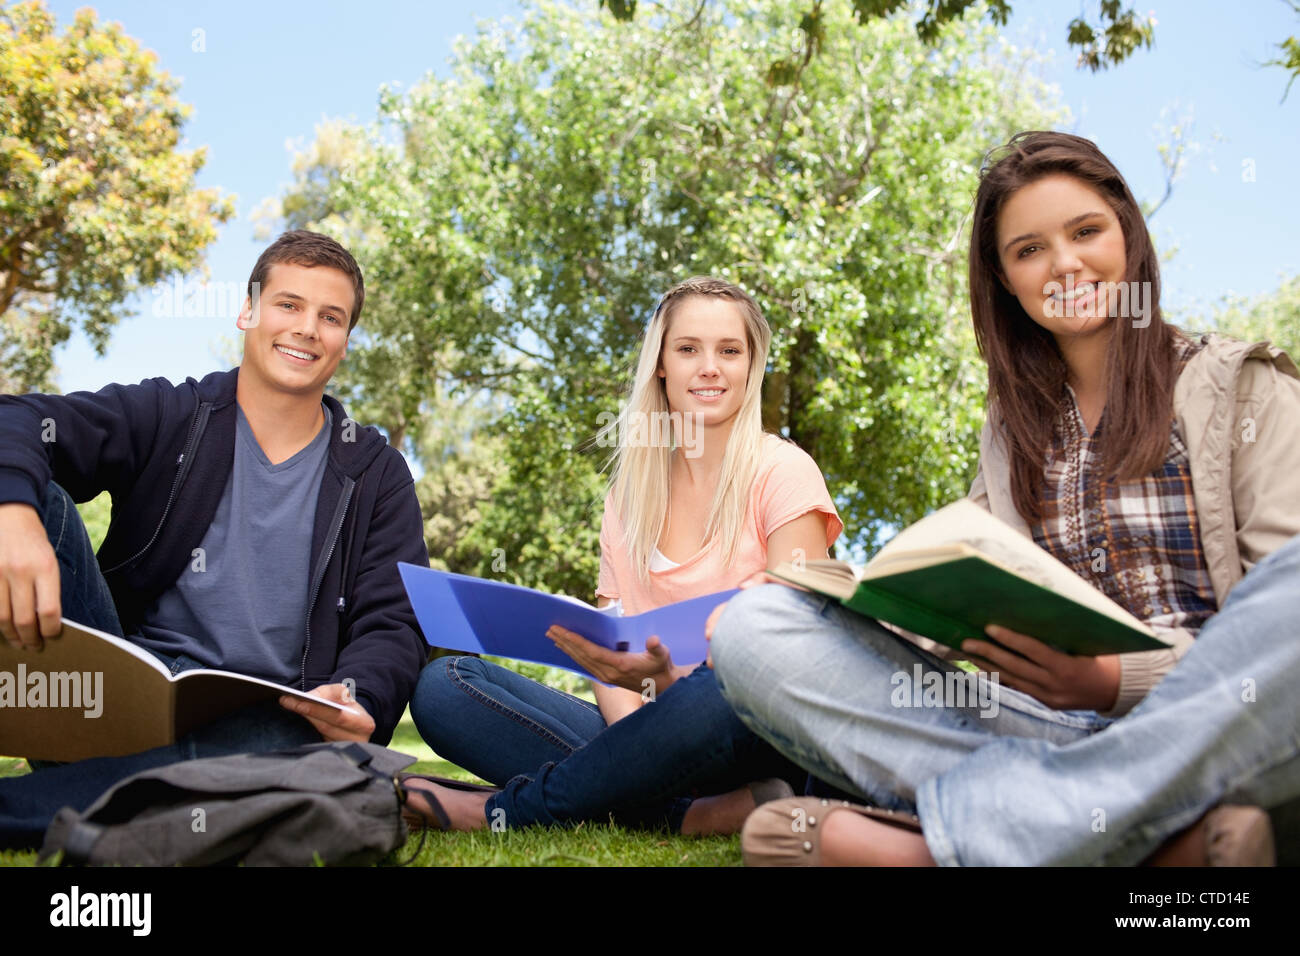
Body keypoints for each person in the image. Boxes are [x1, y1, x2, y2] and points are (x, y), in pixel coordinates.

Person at [706, 130, 1300, 865]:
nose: (1065, 264)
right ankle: (1144, 839)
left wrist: (1113, 679)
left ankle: (996, 837)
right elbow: (954, 602)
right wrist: (842, 598)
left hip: (1214, 724)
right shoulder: (1014, 433)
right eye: (1029, 250)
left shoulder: (1244, 388)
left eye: (1086, 232)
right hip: (1044, 732)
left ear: (1129, 237)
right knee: (756, 627)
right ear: (1006, 280)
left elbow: (1275, 628)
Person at [0, 230, 429, 848]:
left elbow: (393, 619)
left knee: (310, 755)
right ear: (248, 312)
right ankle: (198, 788)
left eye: (330, 317)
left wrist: (363, 695)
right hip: (113, 699)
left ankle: (78, 798)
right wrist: (14, 512)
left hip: (271, 722)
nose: (307, 328)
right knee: (28, 492)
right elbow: (18, 419)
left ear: (344, 342)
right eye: (288, 304)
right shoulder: (172, 414)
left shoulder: (375, 472)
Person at [404, 276, 842, 834]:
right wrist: (645, 699)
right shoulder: (629, 497)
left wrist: (672, 685)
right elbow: (614, 659)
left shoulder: (782, 470)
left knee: (729, 683)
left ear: (750, 367)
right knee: (447, 686)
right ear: (661, 363)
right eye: (688, 349)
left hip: (748, 728)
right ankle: (684, 815)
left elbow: (791, 655)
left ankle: (507, 810)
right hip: (656, 736)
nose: (709, 367)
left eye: (729, 351)